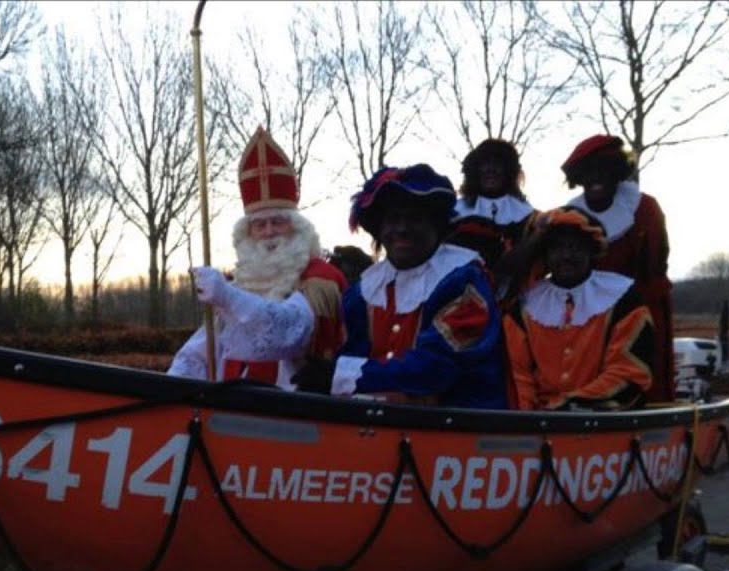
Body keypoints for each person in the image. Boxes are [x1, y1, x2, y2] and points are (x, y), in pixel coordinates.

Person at [293, 164, 508, 409]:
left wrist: (343, 375)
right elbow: (352, 352)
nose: (402, 229)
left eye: (415, 218)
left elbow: (438, 368)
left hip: (456, 430)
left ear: (436, 226)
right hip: (375, 426)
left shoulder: (464, 281)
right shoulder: (365, 289)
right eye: (393, 219)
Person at [168, 127, 346, 388]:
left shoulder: (319, 278)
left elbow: (287, 333)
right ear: (247, 234)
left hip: (295, 414)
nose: (269, 232)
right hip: (228, 411)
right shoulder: (241, 282)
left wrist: (229, 298)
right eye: (259, 225)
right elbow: (201, 351)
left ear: (297, 227)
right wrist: (168, 387)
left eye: (278, 222)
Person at [501, 206, 655, 411]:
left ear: (591, 251)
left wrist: (570, 407)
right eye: (556, 248)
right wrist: (526, 421)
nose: (566, 256)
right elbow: (518, 376)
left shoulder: (623, 298)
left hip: (605, 423)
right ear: (545, 255)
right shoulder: (523, 305)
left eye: (574, 247)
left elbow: (629, 372)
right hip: (537, 424)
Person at [560, 134, 675, 402]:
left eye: (604, 170)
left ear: (617, 173)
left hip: (640, 305)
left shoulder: (645, 208)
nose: (596, 178)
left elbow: (657, 261)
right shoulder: (568, 213)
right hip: (589, 311)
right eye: (588, 172)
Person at [447, 138, 536, 279]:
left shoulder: (527, 214)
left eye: (497, 164)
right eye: (485, 163)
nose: (491, 170)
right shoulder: (456, 211)